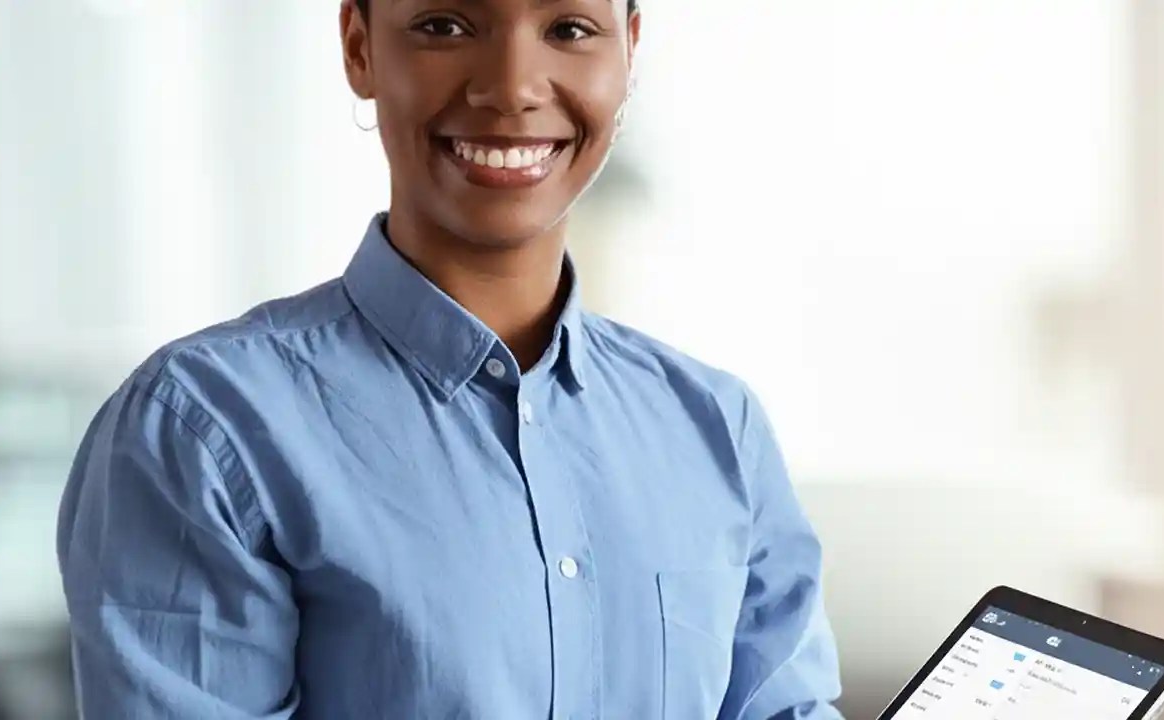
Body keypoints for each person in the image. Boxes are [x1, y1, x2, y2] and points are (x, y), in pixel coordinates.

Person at [55, 0, 843, 717]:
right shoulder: (202, 429)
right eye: (445, 25)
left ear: (628, 54)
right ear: (359, 47)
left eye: (569, 30)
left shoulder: (716, 428)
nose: (510, 88)